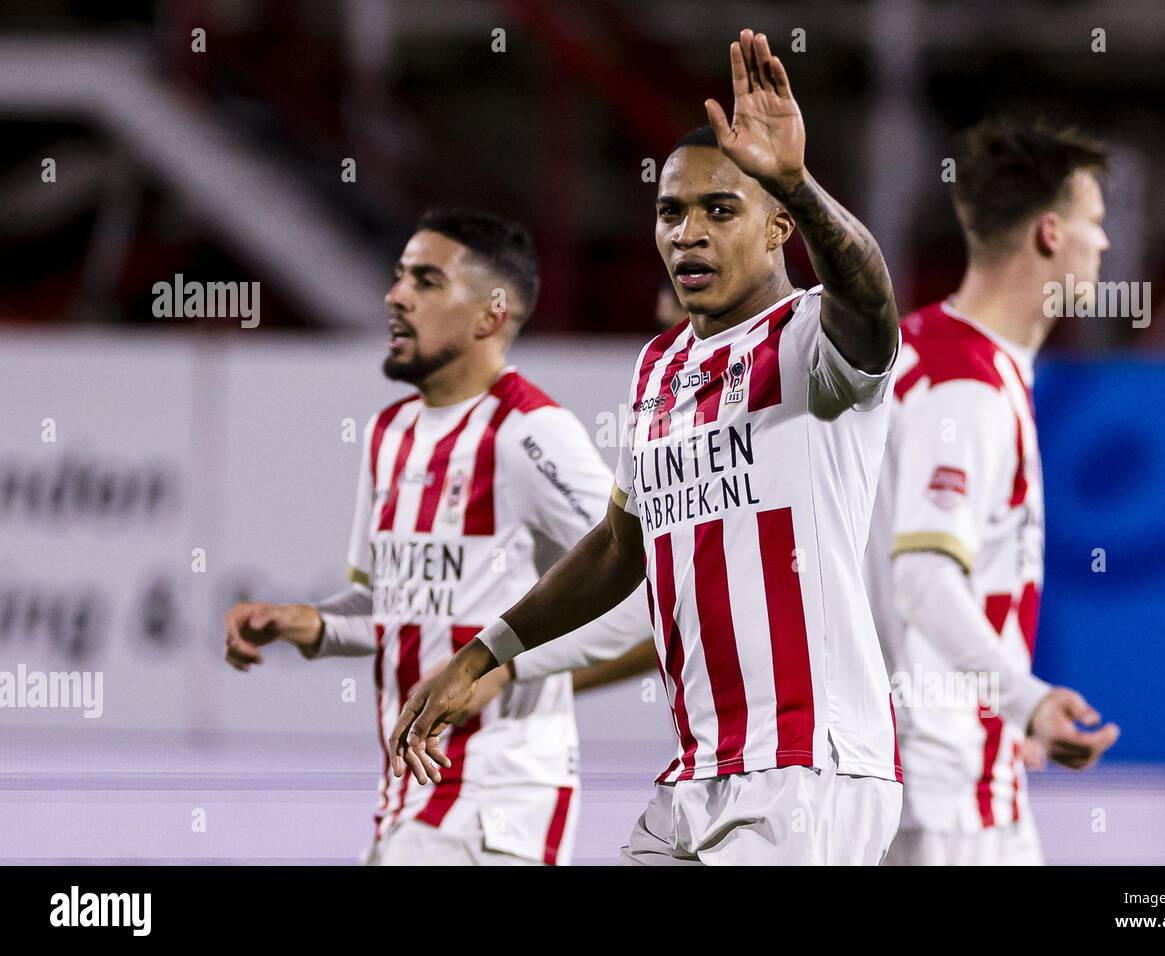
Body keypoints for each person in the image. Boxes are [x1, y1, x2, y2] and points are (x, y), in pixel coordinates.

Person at [388, 29, 905, 866]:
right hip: (695, 774)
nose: (687, 233)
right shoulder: (661, 366)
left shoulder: (811, 342)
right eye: (671, 212)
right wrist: (486, 653)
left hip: (810, 769)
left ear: (778, 228)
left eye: (720, 210)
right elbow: (619, 546)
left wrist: (800, 184)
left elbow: (873, 304)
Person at [223, 207, 653, 866]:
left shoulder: (530, 433)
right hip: (411, 794)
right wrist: (304, 621)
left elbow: (642, 587)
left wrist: (506, 663)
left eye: (425, 282)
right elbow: (389, 610)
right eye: (399, 278)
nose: (396, 296)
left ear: (491, 315)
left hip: (496, 799)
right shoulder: (388, 433)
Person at [871, 119, 1121, 866]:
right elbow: (921, 578)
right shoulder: (966, 390)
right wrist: (1028, 701)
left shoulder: (917, 346)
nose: (1105, 245)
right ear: (1050, 234)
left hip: (926, 759)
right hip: (945, 785)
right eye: (1095, 223)